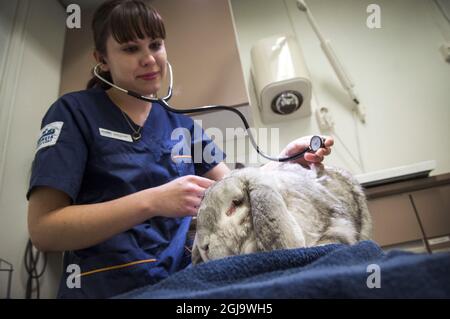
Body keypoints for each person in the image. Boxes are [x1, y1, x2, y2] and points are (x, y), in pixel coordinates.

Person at [27, 0, 334, 299]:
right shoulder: (74, 113)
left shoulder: (181, 127)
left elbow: (234, 190)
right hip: (106, 288)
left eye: (155, 44)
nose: (149, 59)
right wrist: (154, 201)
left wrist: (287, 161)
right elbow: (44, 230)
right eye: (131, 48)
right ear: (102, 59)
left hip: (185, 286)